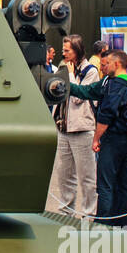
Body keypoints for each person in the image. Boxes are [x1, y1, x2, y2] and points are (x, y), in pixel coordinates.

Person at [69, 50, 127, 228]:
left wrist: (96, 139)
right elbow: (86, 91)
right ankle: (122, 222)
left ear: (117, 64)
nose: (102, 67)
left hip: (114, 139)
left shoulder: (115, 85)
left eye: (105, 64)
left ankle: (103, 222)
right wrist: (68, 83)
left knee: (106, 184)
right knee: (124, 183)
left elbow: (107, 114)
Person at [51, 34, 99, 216]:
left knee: (87, 176)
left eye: (67, 51)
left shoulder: (90, 71)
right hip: (62, 128)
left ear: (77, 51)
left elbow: (80, 97)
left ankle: (88, 213)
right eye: (63, 50)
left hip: (82, 129)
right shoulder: (62, 68)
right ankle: (66, 211)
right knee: (64, 175)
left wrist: (70, 76)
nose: (63, 54)